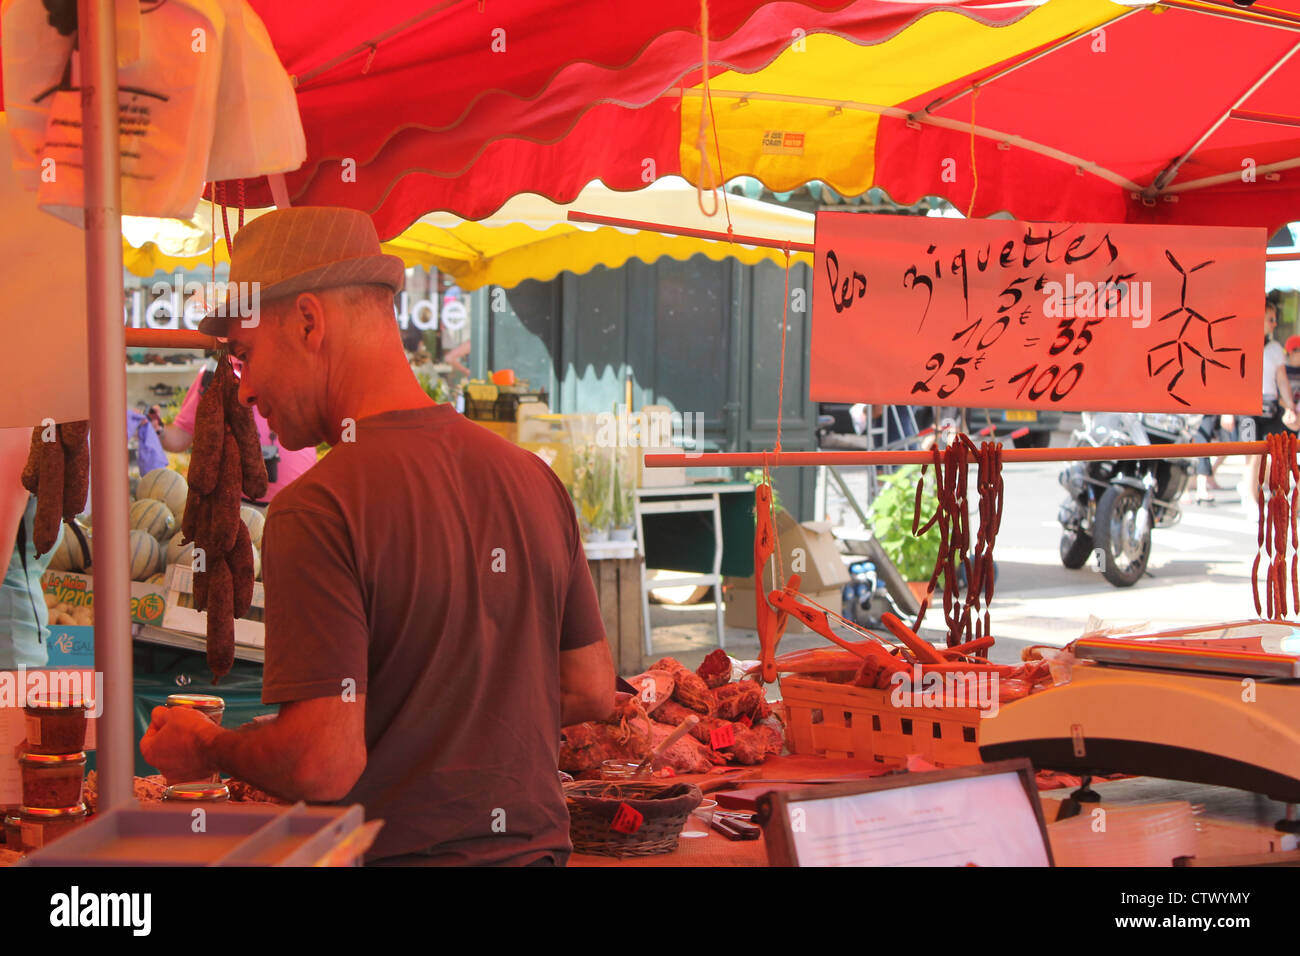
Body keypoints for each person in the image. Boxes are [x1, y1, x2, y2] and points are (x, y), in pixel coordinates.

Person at [140, 207, 614, 866]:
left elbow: (321, 763)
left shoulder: (317, 509)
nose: (245, 393)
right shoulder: (531, 478)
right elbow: (591, 687)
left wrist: (210, 745)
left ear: (309, 322)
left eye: (245, 355)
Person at [158, 356, 316, 504]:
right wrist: (157, 429)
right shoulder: (213, 372)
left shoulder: (302, 361)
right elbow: (180, 436)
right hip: (233, 509)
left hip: (299, 504)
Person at [1241, 296, 1298, 508]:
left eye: (1275, 319)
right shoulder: (1243, 343)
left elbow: (1282, 380)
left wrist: (1290, 407)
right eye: (1270, 319)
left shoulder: (1275, 349)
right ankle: (1250, 499)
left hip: (1271, 406)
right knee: (1252, 454)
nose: (1275, 323)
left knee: (1274, 453)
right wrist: (1226, 412)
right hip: (1247, 407)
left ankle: (1258, 492)